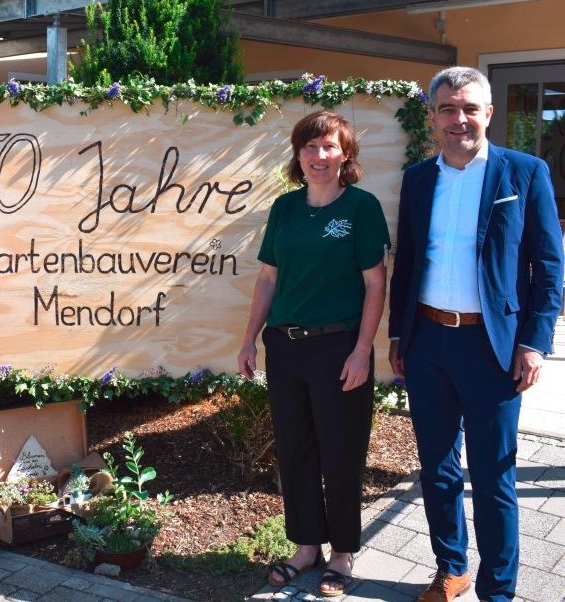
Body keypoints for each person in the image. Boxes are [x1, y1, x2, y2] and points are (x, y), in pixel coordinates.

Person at [389, 67, 563, 602]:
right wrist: (398, 336)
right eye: (447, 108)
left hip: (494, 348)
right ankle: (452, 568)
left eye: (469, 108)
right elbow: (408, 261)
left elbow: (549, 266)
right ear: (433, 116)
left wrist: (534, 343)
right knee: (437, 468)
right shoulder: (419, 178)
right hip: (427, 342)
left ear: (488, 113)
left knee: (493, 477)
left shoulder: (524, 172)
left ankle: (498, 590)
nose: (458, 119)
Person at [237, 110, 389, 596]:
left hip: (339, 347)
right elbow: (268, 278)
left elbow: (375, 284)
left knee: (341, 452)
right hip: (285, 347)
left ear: (345, 154)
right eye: (309, 147)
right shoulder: (284, 208)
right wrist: (249, 339)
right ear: (298, 155)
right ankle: (306, 547)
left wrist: (362, 351)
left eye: (329, 147)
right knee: (296, 450)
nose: (319, 156)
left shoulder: (361, 208)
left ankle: (342, 553)